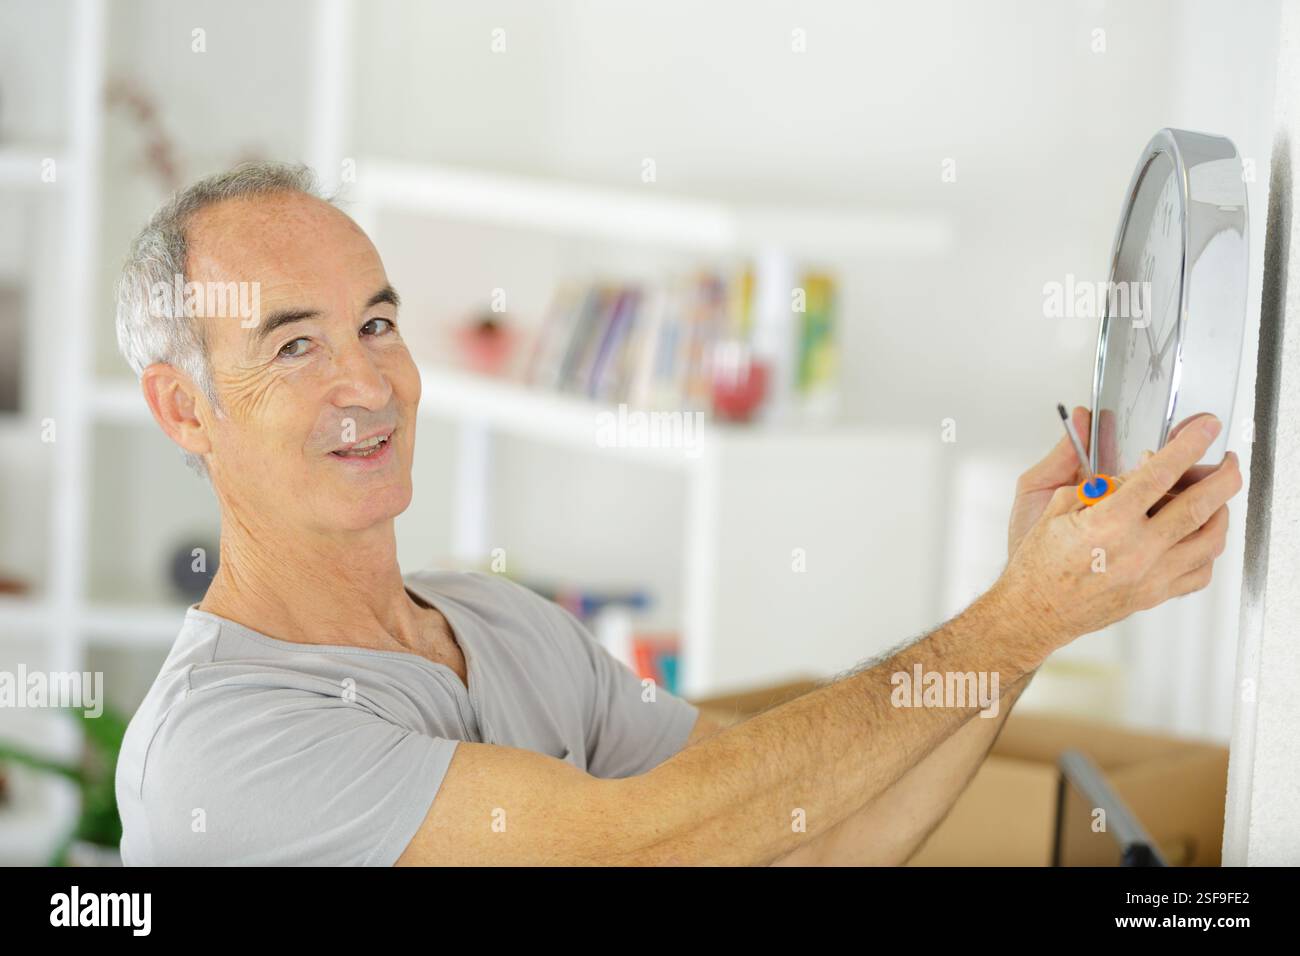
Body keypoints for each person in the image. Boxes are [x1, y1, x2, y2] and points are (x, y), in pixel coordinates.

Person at [113, 162, 1242, 866]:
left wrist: (1030, 613)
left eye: (377, 323)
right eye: (294, 343)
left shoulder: (504, 626)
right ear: (183, 408)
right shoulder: (217, 749)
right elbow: (648, 848)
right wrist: (1013, 615)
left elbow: (807, 841)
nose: (366, 383)